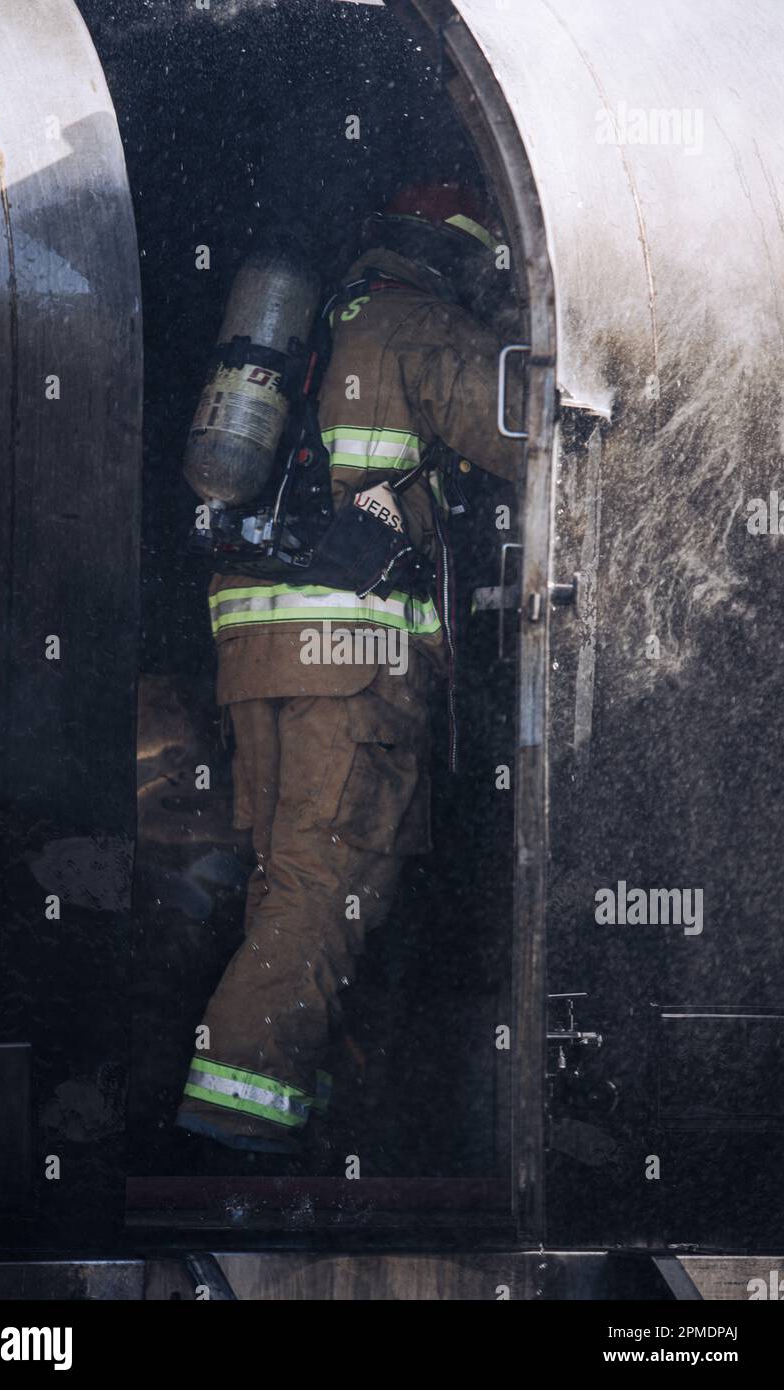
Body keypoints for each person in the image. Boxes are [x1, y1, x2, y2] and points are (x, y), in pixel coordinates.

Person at [176, 180, 524, 1155]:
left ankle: (284, 1124)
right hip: (352, 659)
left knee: (284, 883)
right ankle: (233, 1141)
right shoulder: (417, 324)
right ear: (454, 253)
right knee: (325, 888)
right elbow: (537, 438)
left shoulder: (313, 322)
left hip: (256, 651)